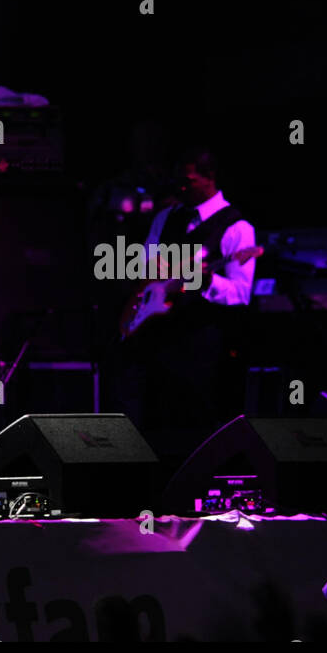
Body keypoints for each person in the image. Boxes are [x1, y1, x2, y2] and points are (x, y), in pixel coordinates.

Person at [107, 146, 257, 468]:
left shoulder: (238, 228)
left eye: (189, 180)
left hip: (198, 347)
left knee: (191, 437)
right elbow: (144, 263)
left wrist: (207, 283)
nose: (182, 187)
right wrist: (155, 272)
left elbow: (241, 293)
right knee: (147, 428)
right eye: (179, 180)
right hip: (155, 339)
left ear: (209, 178)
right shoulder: (166, 216)